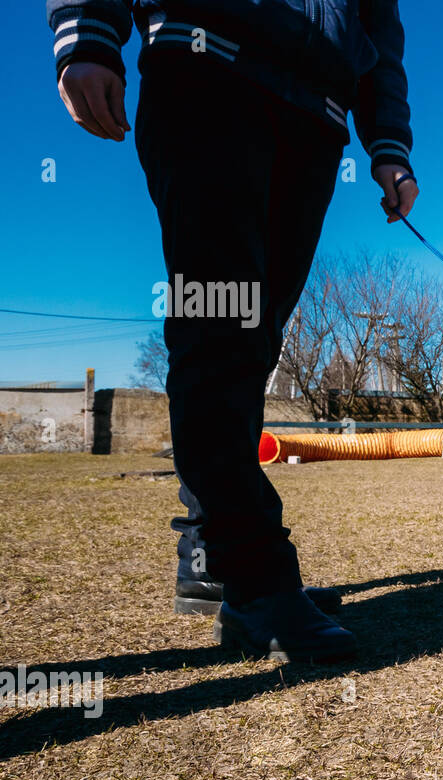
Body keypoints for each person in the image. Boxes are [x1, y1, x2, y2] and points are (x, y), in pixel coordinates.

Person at [48, 0, 419, 662]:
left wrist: (388, 144)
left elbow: (379, 37)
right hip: (205, 67)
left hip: (316, 121)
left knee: (255, 344)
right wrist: (89, 33)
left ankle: (209, 554)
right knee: (218, 325)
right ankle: (254, 574)